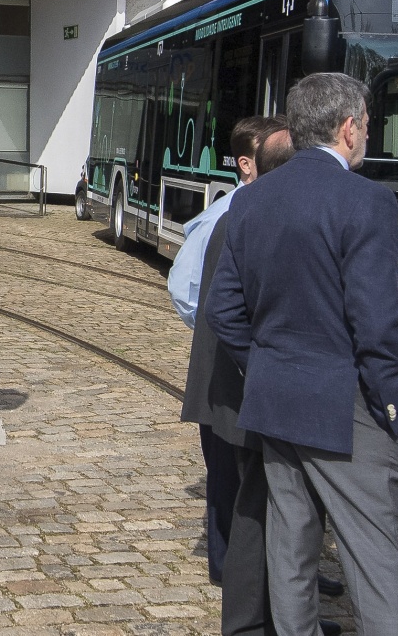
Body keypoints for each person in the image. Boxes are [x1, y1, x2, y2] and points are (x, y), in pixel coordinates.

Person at [207, 72, 398, 636]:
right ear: (349, 127)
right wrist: (392, 405)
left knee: (290, 550)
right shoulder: (367, 199)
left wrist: (265, 366)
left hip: (277, 400)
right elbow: (377, 320)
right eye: (368, 125)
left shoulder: (251, 198)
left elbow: (223, 309)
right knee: (380, 560)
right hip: (351, 405)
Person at [180, 119, 345, 636]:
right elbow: (217, 308)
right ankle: (264, 619)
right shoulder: (247, 215)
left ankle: (267, 615)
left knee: (261, 508)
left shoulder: (248, 211)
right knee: (260, 509)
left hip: (247, 386)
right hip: (247, 388)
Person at [171, 118, 287, 578]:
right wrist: (217, 338)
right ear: (247, 163)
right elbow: (185, 290)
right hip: (227, 370)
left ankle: (285, 564)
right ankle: (229, 567)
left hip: (247, 369)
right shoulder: (226, 214)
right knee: (228, 475)